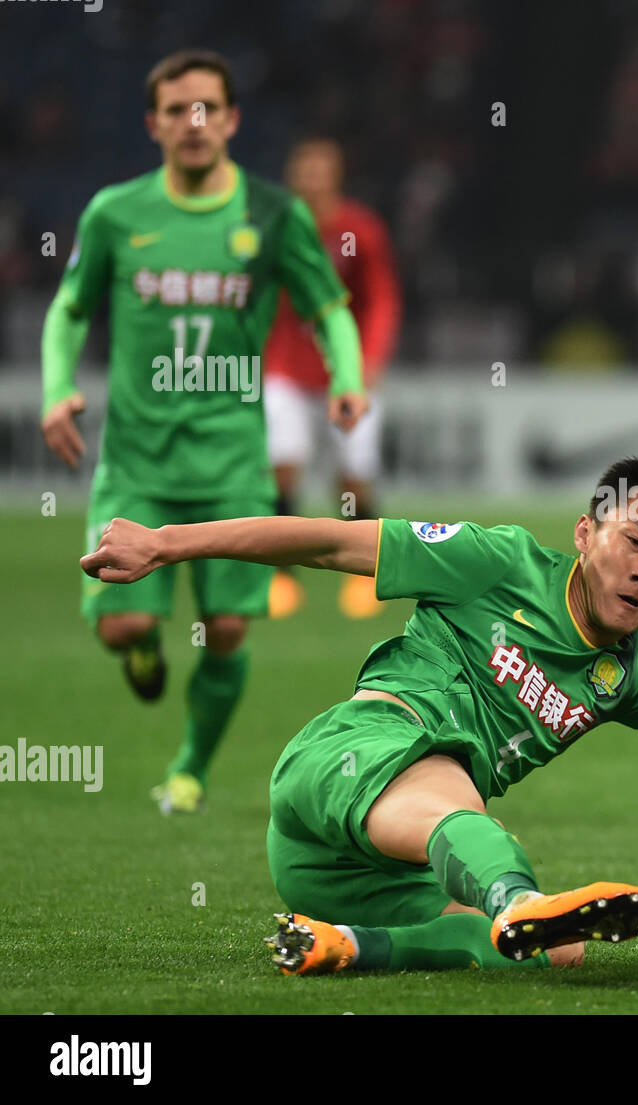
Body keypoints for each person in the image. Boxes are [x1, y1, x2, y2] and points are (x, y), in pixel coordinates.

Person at [81, 454, 638, 972]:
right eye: (633, 541)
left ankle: (344, 944)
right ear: (586, 532)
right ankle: (515, 896)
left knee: (554, 955)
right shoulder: (493, 560)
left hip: (355, 873)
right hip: (348, 757)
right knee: (464, 806)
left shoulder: (625, 673)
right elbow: (327, 542)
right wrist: (167, 544)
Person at [40, 49, 368, 816]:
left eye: (208, 108)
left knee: (225, 626)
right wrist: (57, 389)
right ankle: (145, 642)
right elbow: (69, 308)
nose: (194, 123)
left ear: (230, 120)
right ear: (153, 123)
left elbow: (327, 306)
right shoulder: (116, 213)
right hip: (138, 462)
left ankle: (189, 770)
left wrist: (347, 375)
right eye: (177, 109)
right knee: (121, 624)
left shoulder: (271, 214)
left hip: (229, 461)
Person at [262, 137, 402, 621]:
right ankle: (280, 576)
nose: (311, 180)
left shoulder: (359, 229)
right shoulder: (274, 229)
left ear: (337, 176)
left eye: (320, 171)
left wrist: (370, 360)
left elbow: (381, 298)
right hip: (285, 369)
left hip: (346, 375)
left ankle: (365, 576)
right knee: (282, 463)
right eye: (304, 170)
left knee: (354, 477)